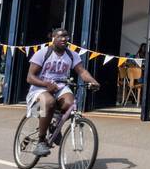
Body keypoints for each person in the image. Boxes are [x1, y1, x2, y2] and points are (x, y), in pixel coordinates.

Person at [26, 28, 99, 156]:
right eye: (60, 36)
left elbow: (81, 71)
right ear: (53, 38)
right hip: (40, 87)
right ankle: (41, 141)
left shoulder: (72, 55)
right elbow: (30, 77)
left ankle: (54, 125)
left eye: (66, 36)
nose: (64, 39)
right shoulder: (43, 53)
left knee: (70, 104)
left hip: (60, 87)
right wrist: (46, 84)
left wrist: (93, 81)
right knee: (48, 102)